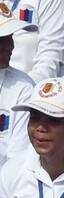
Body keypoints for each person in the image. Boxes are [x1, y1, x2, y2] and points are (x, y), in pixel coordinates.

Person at [0, 9, 32, 168]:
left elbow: (17, 161)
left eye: (11, 38)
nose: (10, 46)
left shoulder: (23, 88)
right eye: (2, 40)